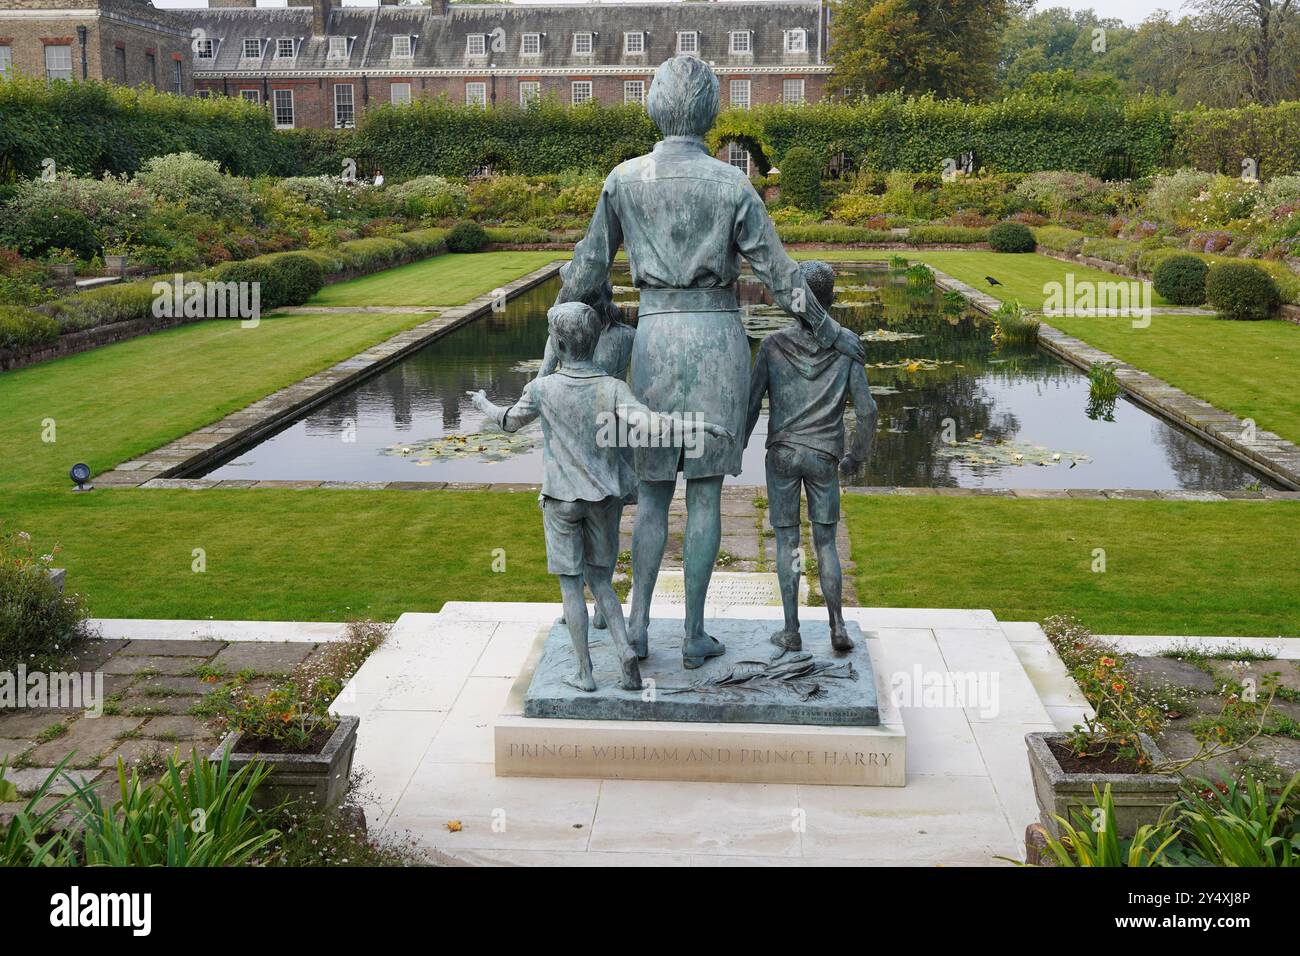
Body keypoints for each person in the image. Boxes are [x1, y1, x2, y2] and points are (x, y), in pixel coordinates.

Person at [554, 55, 865, 670]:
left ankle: (638, 626)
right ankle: (693, 634)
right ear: (711, 111)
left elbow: (585, 275)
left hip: (656, 340)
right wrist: (831, 331)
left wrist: (585, 325)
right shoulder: (732, 184)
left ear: (654, 107)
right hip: (719, 339)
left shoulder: (623, 180)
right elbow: (782, 278)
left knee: (649, 494)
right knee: (703, 496)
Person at [470, 302, 730, 692]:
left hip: (561, 500)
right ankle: (625, 649)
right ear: (594, 342)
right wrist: (701, 426)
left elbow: (508, 423)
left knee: (571, 585)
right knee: (603, 582)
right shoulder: (613, 388)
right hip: (604, 500)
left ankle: (584, 673)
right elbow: (652, 425)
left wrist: (482, 403)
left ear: (557, 344)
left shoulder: (541, 388)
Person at [745, 261, 878, 654]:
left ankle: (792, 631)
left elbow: (752, 407)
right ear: (831, 299)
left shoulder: (772, 346)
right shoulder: (848, 346)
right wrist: (856, 456)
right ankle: (837, 624)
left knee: (787, 543)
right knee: (825, 543)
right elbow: (868, 411)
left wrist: (735, 450)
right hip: (824, 457)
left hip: (783, 454)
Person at [535, 278, 635, 632]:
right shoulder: (627, 335)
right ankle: (599, 607)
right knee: (606, 524)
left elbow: (543, 377)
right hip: (613, 430)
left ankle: (573, 603)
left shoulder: (562, 333)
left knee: (570, 531)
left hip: (573, 434)